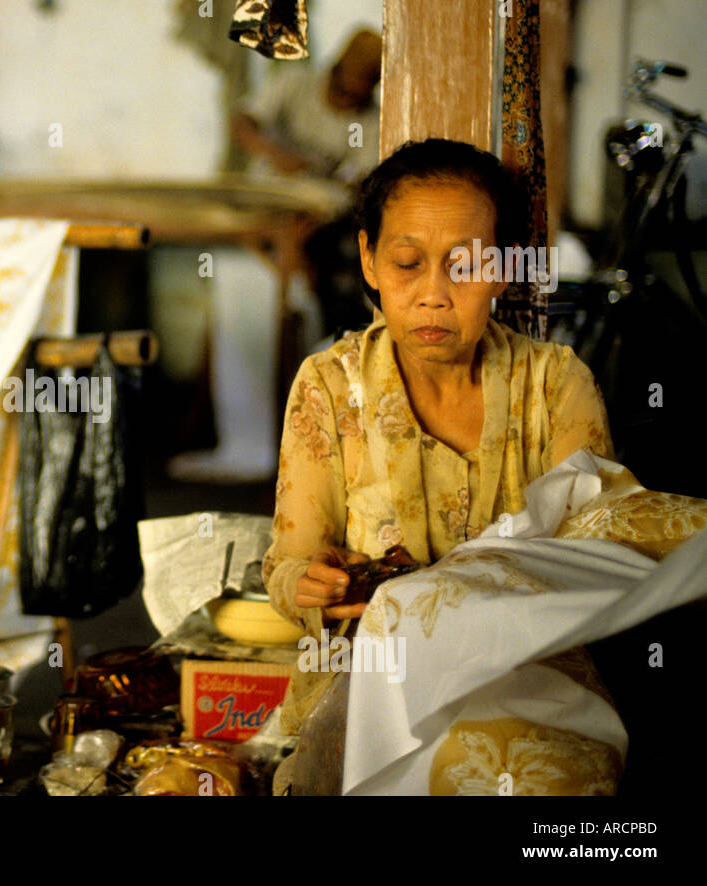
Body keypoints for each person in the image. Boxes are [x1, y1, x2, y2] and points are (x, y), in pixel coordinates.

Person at [261, 138, 615, 736]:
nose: (433, 293)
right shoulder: (327, 385)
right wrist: (309, 584)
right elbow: (287, 566)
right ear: (369, 262)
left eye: (467, 265)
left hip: (523, 685)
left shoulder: (556, 386)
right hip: (369, 687)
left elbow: (595, 566)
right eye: (407, 263)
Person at [168, 30, 382, 484]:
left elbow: (357, 186)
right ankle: (273, 255)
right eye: (341, 91)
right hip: (260, 205)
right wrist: (280, 156)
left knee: (301, 251)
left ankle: (284, 439)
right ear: (332, 73)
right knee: (259, 246)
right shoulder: (293, 85)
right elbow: (241, 124)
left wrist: (323, 204)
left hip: (310, 225)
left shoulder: (371, 122)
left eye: (357, 97)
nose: (347, 102)